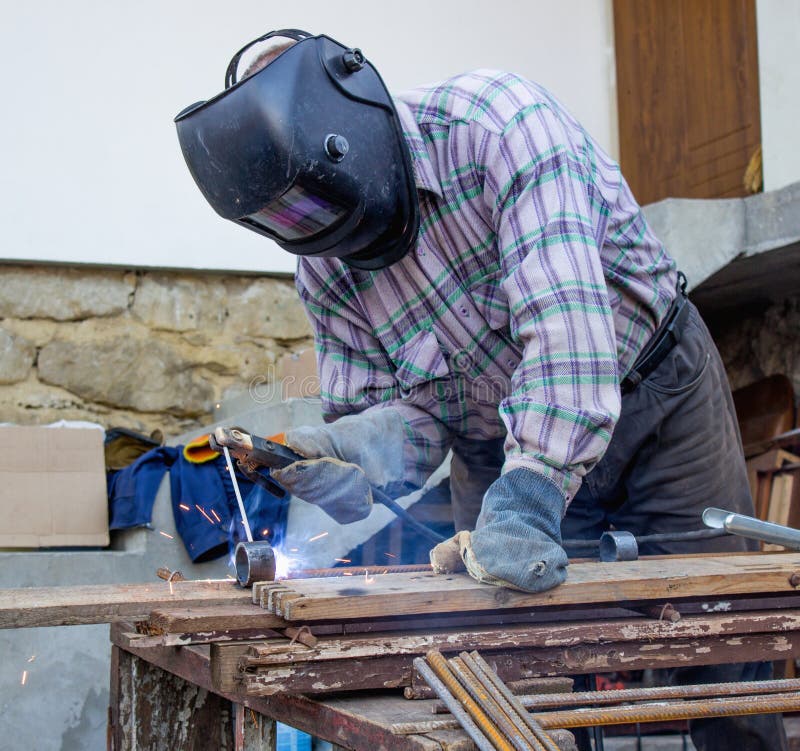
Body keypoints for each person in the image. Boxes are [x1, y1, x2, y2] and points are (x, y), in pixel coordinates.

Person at [175, 30, 787, 750]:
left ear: (352, 121)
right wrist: (355, 448)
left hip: (655, 403)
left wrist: (527, 500)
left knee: (720, 644)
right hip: (495, 449)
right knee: (521, 678)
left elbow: (566, 340)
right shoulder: (326, 264)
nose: (332, 238)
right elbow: (413, 420)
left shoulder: (503, 127)